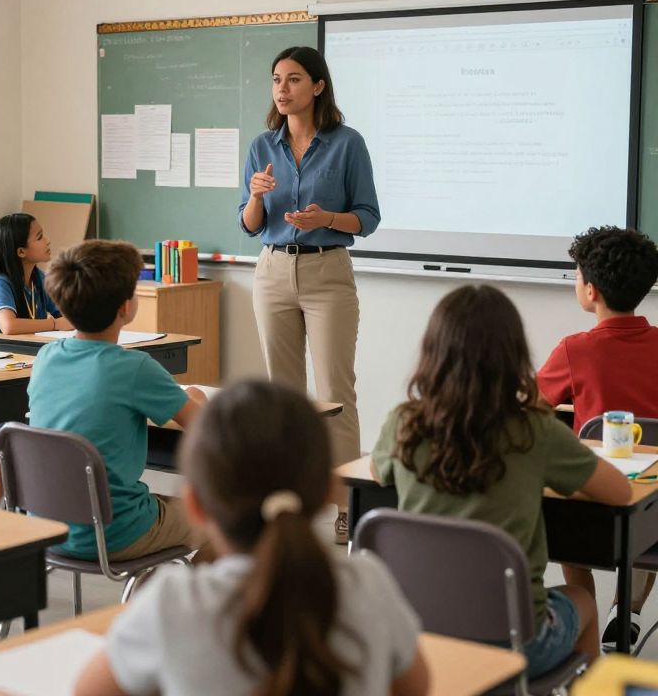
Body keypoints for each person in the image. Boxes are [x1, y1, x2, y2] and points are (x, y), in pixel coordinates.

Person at [75, 379, 429, 696]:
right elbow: (416, 686)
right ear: (328, 493)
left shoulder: (172, 606)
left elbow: (87, 690)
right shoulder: (368, 586)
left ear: (196, 505)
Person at [372, 285, 632, 677]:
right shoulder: (534, 430)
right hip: (515, 642)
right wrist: (558, 480)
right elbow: (620, 490)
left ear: (433, 352)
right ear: (512, 355)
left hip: (419, 633)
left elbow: (378, 472)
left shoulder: (405, 423)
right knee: (583, 601)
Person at [238, 45, 380, 544]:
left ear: (318, 86)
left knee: (334, 396)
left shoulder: (347, 143)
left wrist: (326, 220)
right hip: (272, 272)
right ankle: (288, 503)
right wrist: (256, 195)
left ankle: (344, 504)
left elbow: (368, 218)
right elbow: (250, 225)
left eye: (294, 79)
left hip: (328, 272)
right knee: (283, 395)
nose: (282, 88)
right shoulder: (261, 145)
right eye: (276, 78)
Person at [29, 239, 206, 560]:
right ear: (126, 307)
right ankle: (188, 604)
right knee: (221, 519)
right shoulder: (134, 368)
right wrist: (196, 398)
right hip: (113, 531)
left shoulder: (45, 357)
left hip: (46, 527)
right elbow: (204, 427)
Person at [537, 225, 658, 648]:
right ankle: (630, 613)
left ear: (591, 291)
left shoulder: (575, 350)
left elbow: (529, 407)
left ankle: (586, 624)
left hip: (593, 516)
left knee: (564, 512)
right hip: (651, 512)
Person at [0, 212, 73, 336]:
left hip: (30, 349)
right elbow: (9, 326)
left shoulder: (39, 278)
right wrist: (55, 324)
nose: (47, 241)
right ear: (21, 252)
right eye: (40, 237)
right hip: (3, 353)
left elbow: (66, 313)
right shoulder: (0, 284)